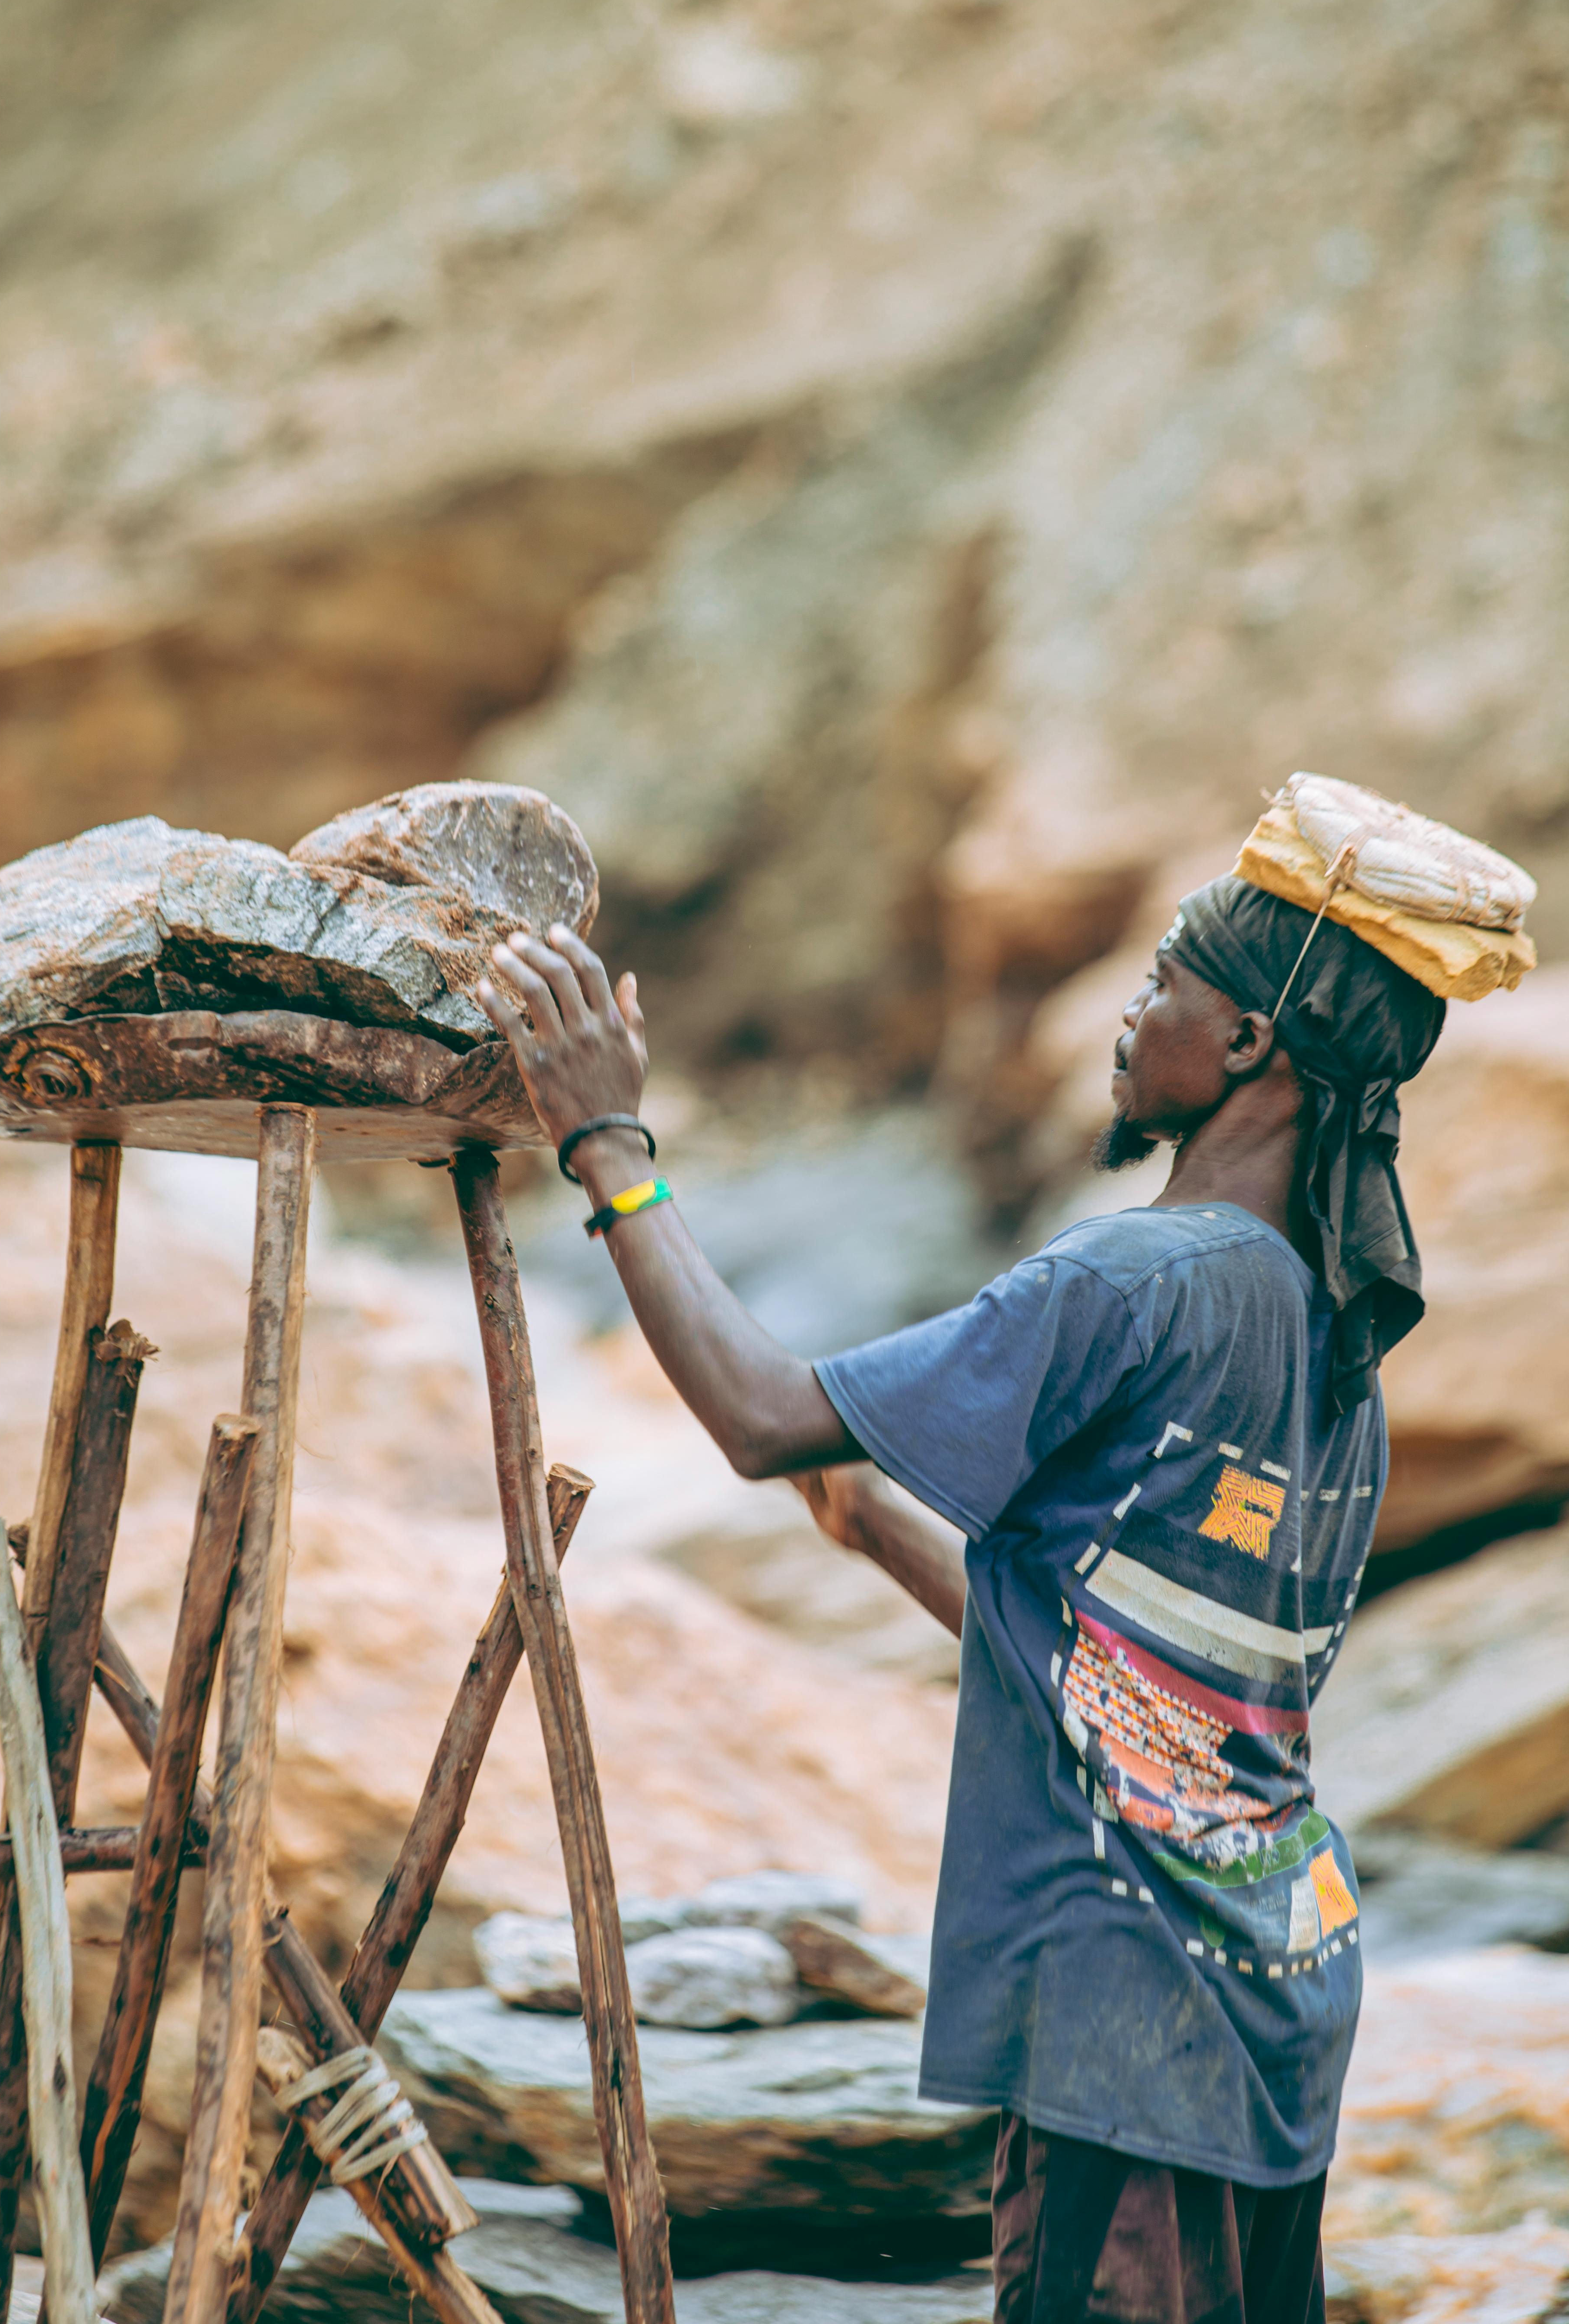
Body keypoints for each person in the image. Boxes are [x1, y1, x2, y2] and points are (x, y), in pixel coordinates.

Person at [474, 856, 1460, 2324]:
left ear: (1250, 1041)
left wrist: (610, 1141)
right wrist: (876, 1527)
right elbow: (1165, 1678)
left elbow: (756, 1410)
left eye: (1160, 986)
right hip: (1281, 1987)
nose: (1128, 1021)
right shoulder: (1331, 1343)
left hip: (1124, 2006)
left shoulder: (1133, 1278)